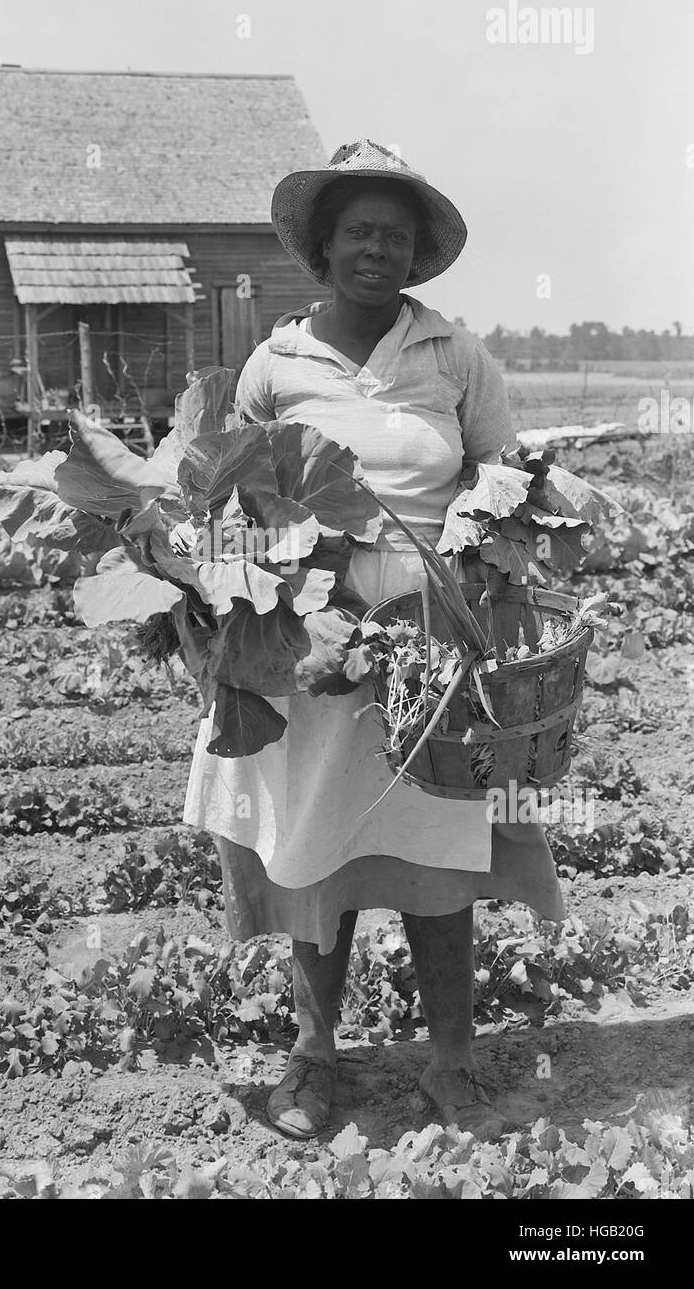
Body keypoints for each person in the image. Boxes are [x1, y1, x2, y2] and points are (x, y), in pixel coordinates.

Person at [182, 140, 565, 1139]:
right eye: (358, 231)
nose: (375, 249)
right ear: (323, 245)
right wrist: (229, 579)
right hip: (310, 653)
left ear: (414, 251)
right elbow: (225, 499)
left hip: (431, 654)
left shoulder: (451, 352)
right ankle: (314, 1058)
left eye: (393, 235)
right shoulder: (275, 363)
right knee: (317, 856)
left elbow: (502, 469)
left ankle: (449, 1059)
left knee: (436, 852)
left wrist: (493, 521)